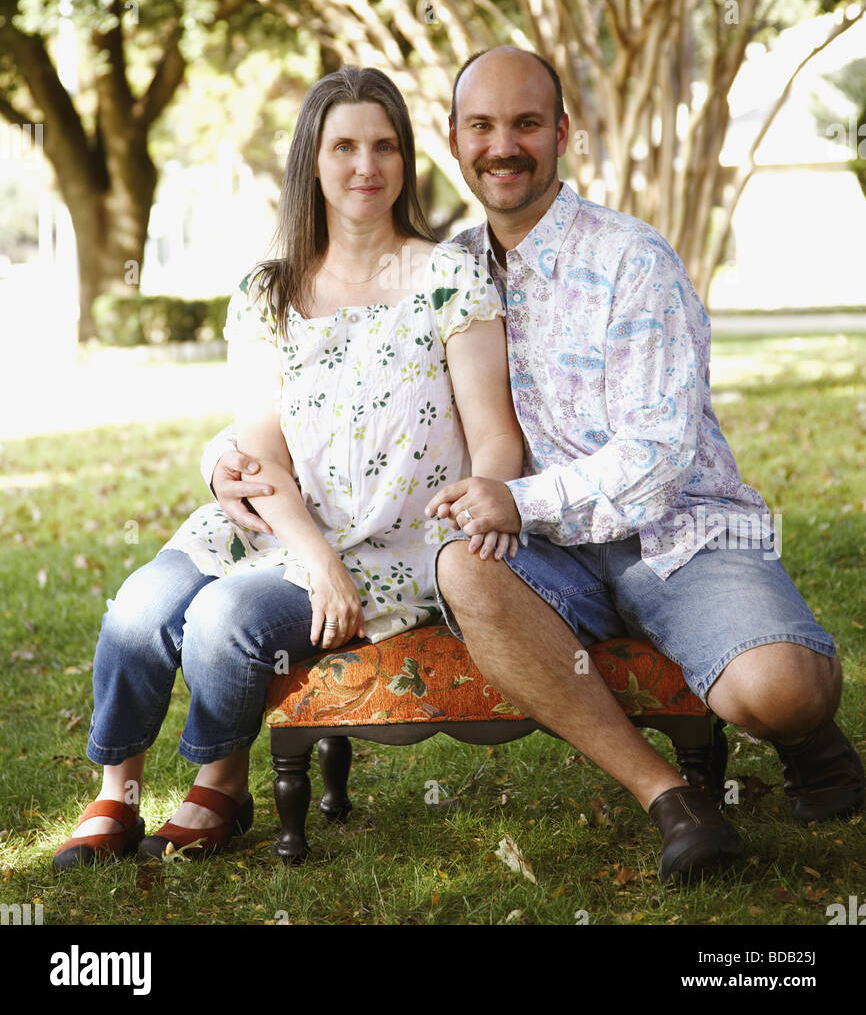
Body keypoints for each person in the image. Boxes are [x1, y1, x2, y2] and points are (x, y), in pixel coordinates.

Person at [211, 46, 865, 882]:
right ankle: (669, 797)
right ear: (453, 141)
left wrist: (522, 501)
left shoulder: (632, 260)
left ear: (561, 133)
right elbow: (331, 392)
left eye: (526, 124)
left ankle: (810, 740)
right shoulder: (439, 274)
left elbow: (659, 457)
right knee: (464, 571)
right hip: (544, 553)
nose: (503, 146)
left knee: (781, 691)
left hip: (676, 530)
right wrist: (226, 459)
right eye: (481, 126)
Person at [52, 65, 524, 869]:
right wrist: (314, 563)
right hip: (280, 523)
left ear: (407, 161)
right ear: (312, 160)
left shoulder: (449, 277)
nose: (365, 166)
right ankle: (117, 791)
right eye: (343, 146)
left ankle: (219, 783)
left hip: (390, 543)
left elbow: (496, 435)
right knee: (139, 608)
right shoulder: (267, 291)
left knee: (225, 622)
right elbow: (261, 452)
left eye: (384, 146)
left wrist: (491, 501)